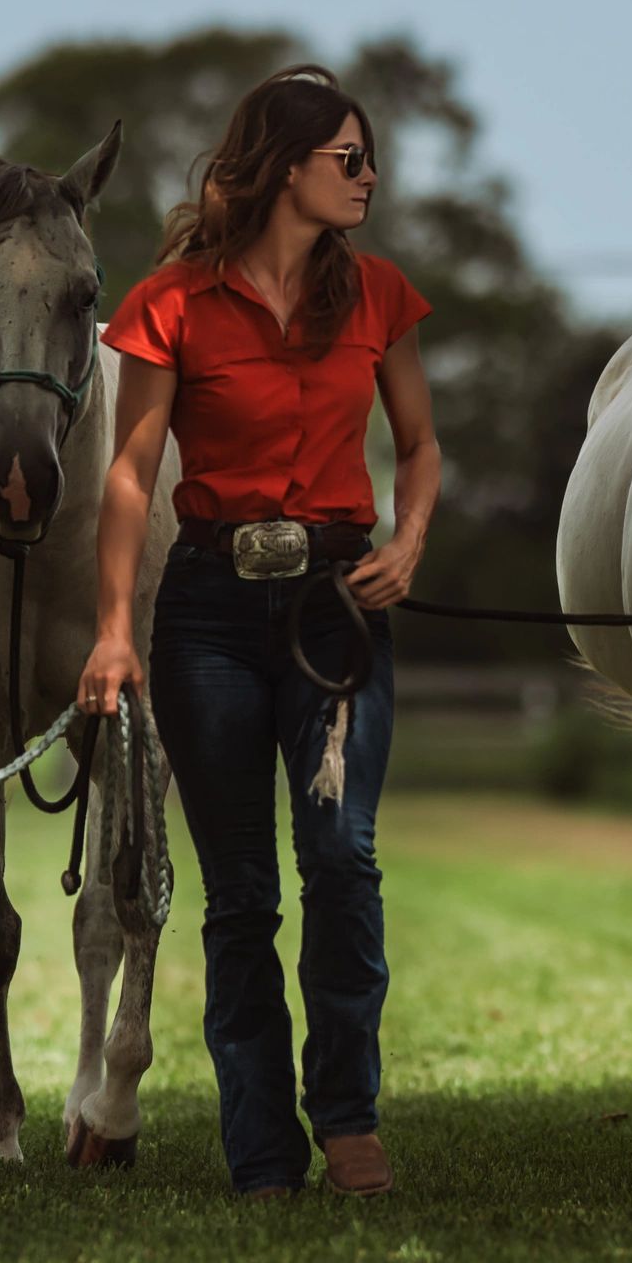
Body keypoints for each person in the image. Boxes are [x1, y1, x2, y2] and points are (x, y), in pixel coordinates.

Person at [78, 64, 442, 1200]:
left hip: (337, 610)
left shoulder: (380, 295)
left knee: (342, 860)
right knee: (240, 896)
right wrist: (111, 631)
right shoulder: (170, 304)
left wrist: (410, 538)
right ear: (286, 167)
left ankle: (348, 1123)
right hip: (206, 621)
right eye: (348, 158)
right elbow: (133, 471)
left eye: (366, 157)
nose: (367, 176)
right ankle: (261, 1149)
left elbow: (420, 446)